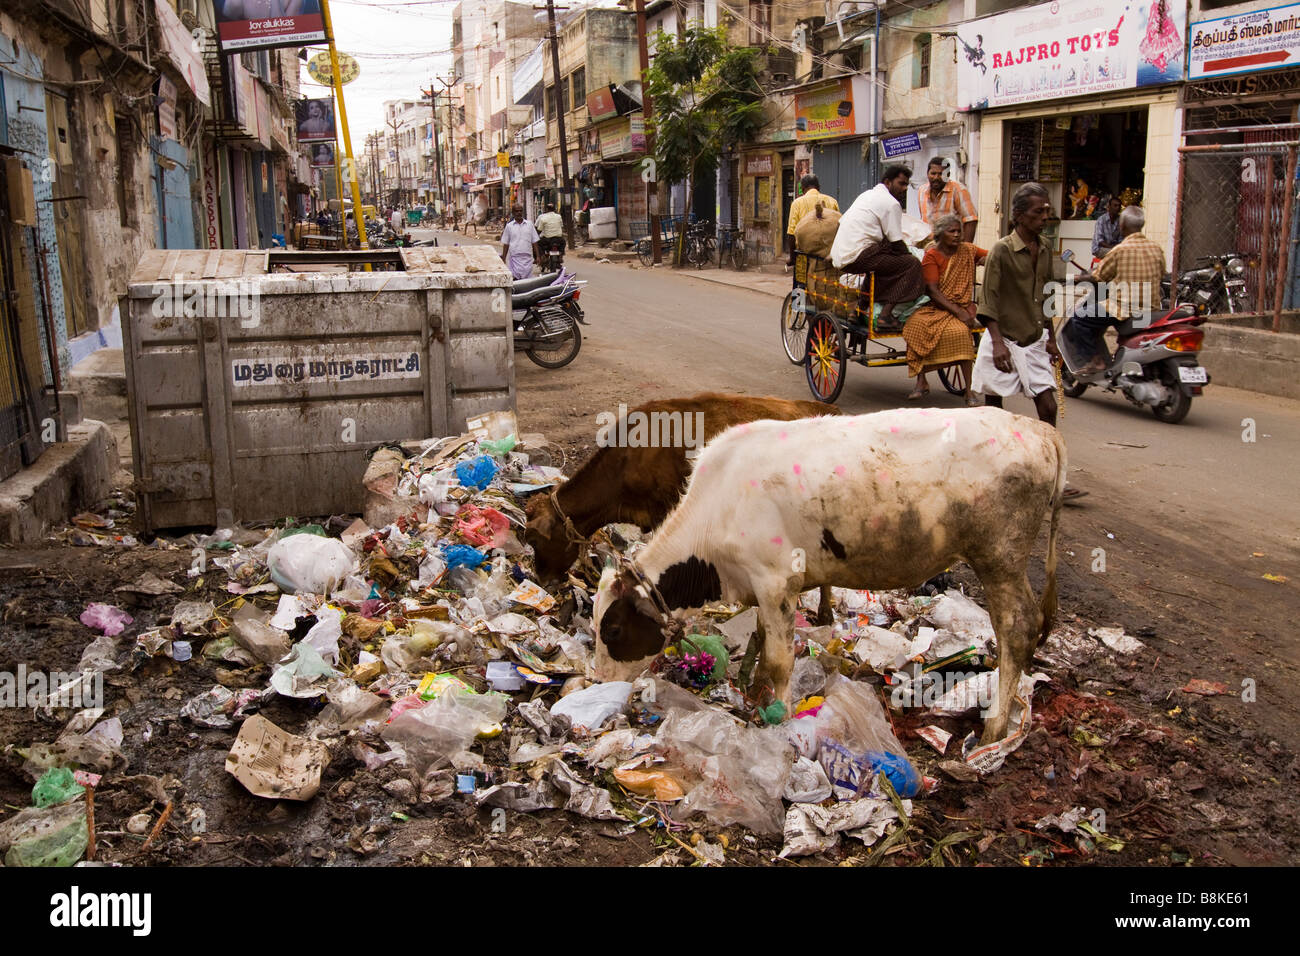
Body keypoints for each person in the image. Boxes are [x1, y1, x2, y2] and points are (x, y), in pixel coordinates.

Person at [901, 214, 986, 404]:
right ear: (941, 234)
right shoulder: (932, 255)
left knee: (961, 332)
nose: (957, 235)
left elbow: (991, 256)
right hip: (937, 307)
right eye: (952, 231)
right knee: (914, 325)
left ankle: (969, 391)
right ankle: (921, 382)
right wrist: (957, 312)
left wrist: (989, 260)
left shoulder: (968, 250)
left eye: (959, 231)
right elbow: (932, 290)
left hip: (963, 305)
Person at [1073, 205, 1166, 374]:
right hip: (1151, 309)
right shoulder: (1157, 248)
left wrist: (1079, 278)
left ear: (1122, 226)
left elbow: (1098, 277)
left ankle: (1096, 361)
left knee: (1079, 317)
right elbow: (1161, 275)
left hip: (1123, 309)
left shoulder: (1119, 250)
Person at [829, 164, 926, 325]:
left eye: (906, 185)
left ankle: (857, 310)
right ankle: (885, 315)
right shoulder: (891, 203)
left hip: (843, 254)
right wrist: (911, 254)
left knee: (882, 264)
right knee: (912, 265)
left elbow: (842, 223)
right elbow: (896, 242)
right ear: (888, 182)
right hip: (858, 254)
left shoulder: (867, 195)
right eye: (901, 183)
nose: (904, 188)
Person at [918, 158, 977, 243]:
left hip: (952, 246)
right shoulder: (921, 190)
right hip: (929, 246)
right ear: (927, 174)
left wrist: (966, 249)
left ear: (948, 175)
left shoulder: (959, 190)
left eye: (941, 174)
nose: (936, 177)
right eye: (933, 173)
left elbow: (970, 220)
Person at [786, 174, 839, 265]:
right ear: (819, 187)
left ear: (803, 189)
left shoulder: (797, 203)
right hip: (828, 258)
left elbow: (792, 233)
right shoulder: (832, 201)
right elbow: (839, 228)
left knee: (801, 278)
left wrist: (792, 259)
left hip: (804, 257)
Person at [501, 204, 540, 280]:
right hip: (514, 258)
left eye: (520, 211)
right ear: (513, 212)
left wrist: (537, 256)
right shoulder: (509, 226)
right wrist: (504, 258)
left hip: (527, 258)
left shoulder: (529, 224)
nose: (519, 213)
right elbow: (506, 243)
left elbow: (534, 241)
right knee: (515, 279)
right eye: (516, 211)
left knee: (527, 280)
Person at [1091, 195, 1123, 261]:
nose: (1117, 208)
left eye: (1119, 206)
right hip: (1099, 249)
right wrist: (1114, 248)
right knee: (1117, 254)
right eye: (1115, 205)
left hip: (1114, 248)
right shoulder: (1101, 220)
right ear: (1109, 207)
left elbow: (1121, 239)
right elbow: (1100, 241)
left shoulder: (1120, 220)